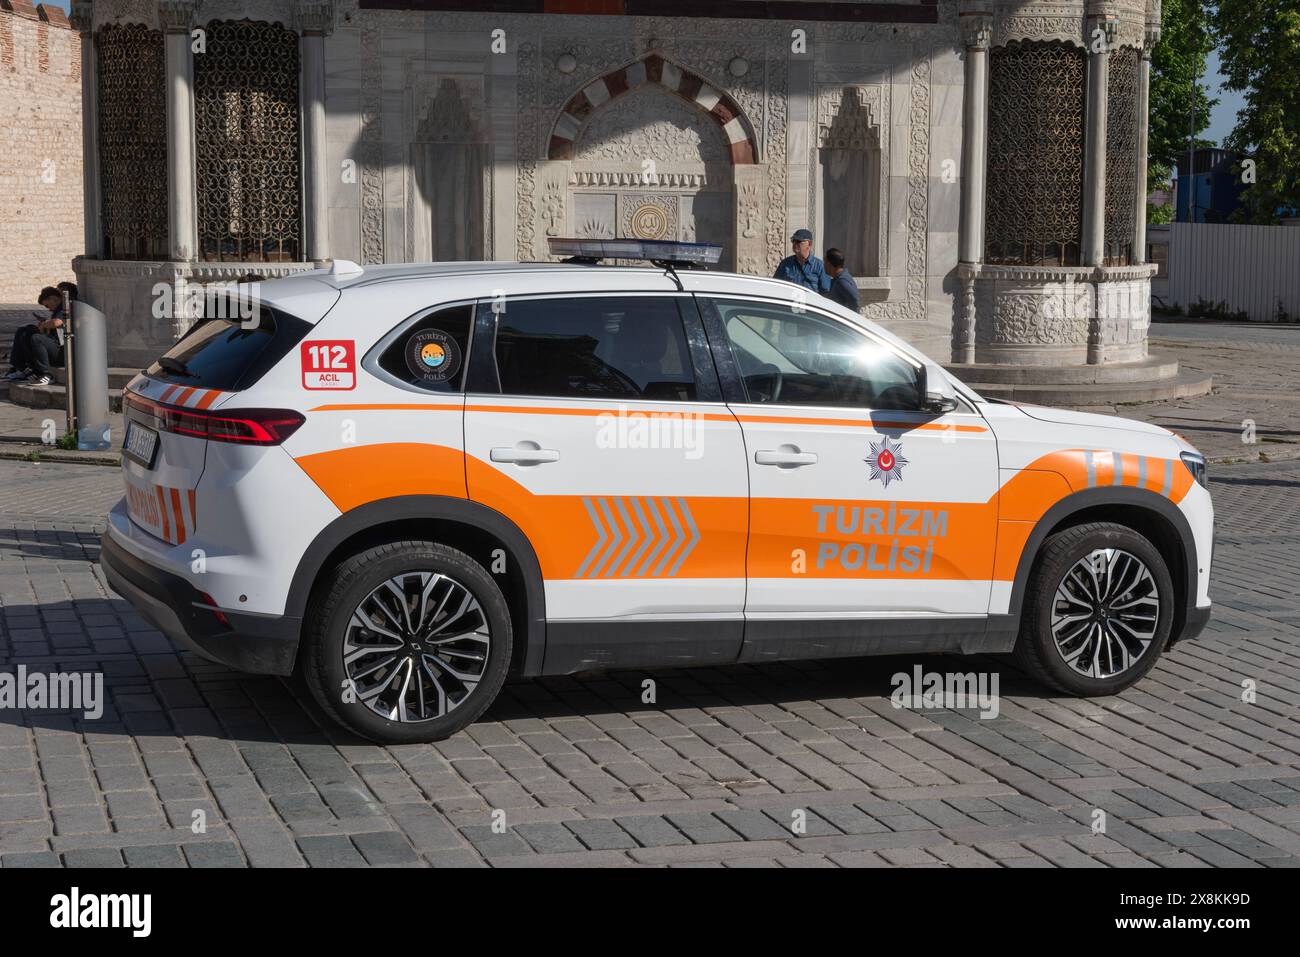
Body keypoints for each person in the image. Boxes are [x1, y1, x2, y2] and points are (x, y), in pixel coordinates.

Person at [4, 286, 63, 384]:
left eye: (47, 306)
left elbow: (57, 322)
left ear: (53, 298)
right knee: (25, 331)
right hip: (54, 344)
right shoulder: (57, 310)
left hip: (61, 350)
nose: (49, 309)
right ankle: (21, 368)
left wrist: (44, 324)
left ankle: (46, 374)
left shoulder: (63, 307)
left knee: (37, 338)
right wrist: (44, 325)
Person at [773, 228, 830, 294]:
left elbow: (826, 292)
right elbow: (775, 286)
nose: (794, 244)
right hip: (790, 303)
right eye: (793, 241)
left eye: (798, 241)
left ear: (809, 244)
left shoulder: (819, 266)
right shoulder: (785, 264)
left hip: (810, 303)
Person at [824, 247, 860, 311]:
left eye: (825, 262)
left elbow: (855, 299)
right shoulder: (837, 279)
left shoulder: (842, 281)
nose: (823, 265)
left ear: (829, 264)